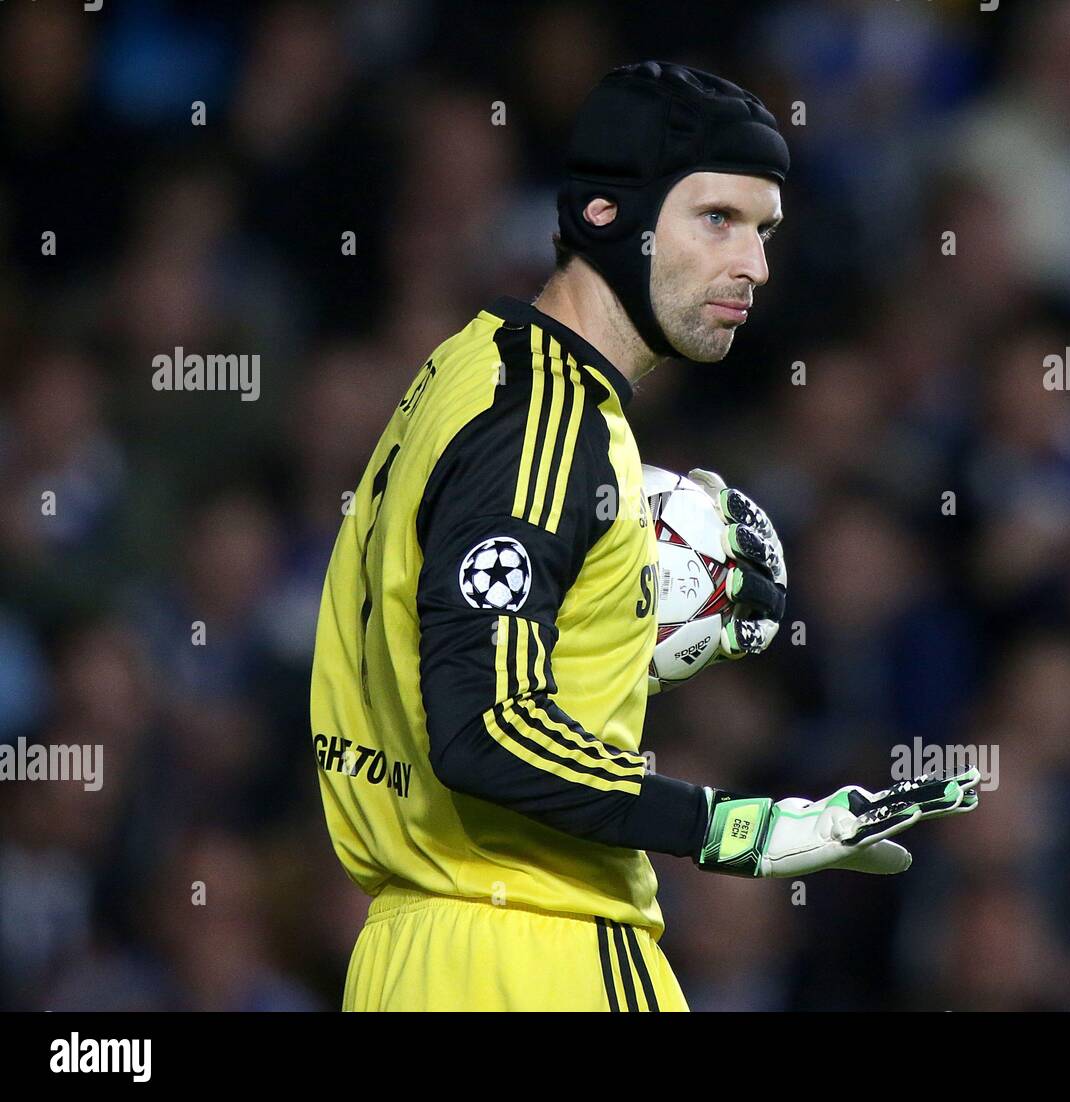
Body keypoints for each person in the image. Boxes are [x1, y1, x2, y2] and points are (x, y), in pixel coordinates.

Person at [310, 60, 979, 1012]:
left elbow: (456, 652)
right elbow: (485, 727)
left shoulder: (469, 373)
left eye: (765, 231)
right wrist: (735, 828)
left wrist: (618, 623)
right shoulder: (550, 421)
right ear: (604, 216)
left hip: (418, 958)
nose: (755, 265)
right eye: (718, 220)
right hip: (543, 949)